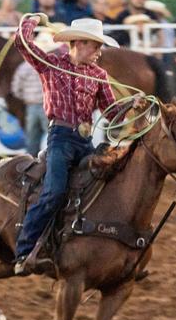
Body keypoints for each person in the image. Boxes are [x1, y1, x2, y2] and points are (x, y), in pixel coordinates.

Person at [12, 14, 122, 275]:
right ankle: (24, 251)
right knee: (54, 191)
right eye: (95, 46)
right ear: (80, 43)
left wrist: (131, 107)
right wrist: (33, 19)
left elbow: (112, 113)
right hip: (60, 137)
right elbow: (22, 42)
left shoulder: (99, 75)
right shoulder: (51, 64)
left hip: (84, 141)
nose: (98, 52)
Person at [10, 30, 57, 157]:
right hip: (47, 106)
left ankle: (30, 161)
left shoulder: (24, 66)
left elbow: (16, 88)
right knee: (52, 136)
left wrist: (25, 98)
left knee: (32, 137)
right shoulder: (52, 66)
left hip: (31, 106)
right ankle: (51, 158)